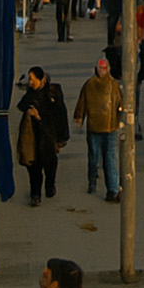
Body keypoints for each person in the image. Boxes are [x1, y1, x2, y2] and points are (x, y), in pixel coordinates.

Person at [16, 68, 70, 207]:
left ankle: (50, 185)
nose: (31, 82)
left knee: (50, 165)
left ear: (42, 80)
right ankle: (35, 195)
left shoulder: (53, 94)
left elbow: (59, 115)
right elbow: (21, 105)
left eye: (33, 79)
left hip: (48, 137)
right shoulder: (31, 94)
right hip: (32, 138)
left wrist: (39, 116)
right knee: (34, 168)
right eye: (30, 79)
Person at [75, 60, 123, 203]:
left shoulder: (110, 85)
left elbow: (119, 103)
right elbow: (83, 101)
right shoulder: (92, 85)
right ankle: (96, 182)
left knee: (108, 159)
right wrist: (79, 116)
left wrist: (79, 116)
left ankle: (112, 190)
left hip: (108, 127)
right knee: (98, 157)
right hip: (101, 127)